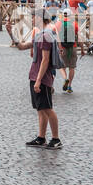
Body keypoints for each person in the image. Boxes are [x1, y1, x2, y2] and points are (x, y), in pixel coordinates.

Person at [15, 11, 60, 148]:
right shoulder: (40, 34)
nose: (32, 19)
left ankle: (56, 139)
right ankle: (41, 137)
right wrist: (11, 34)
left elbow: (45, 60)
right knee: (41, 109)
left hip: (42, 77)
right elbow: (23, 47)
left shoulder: (46, 36)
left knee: (48, 108)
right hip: (34, 74)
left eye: (34, 17)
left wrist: (39, 80)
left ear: (40, 18)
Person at [57, 7, 79, 92]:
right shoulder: (74, 24)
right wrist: (82, 49)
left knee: (62, 66)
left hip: (62, 47)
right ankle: (69, 85)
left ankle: (65, 78)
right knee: (72, 67)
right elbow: (78, 36)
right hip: (72, 47)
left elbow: (55, 36)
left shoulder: (58, 23)